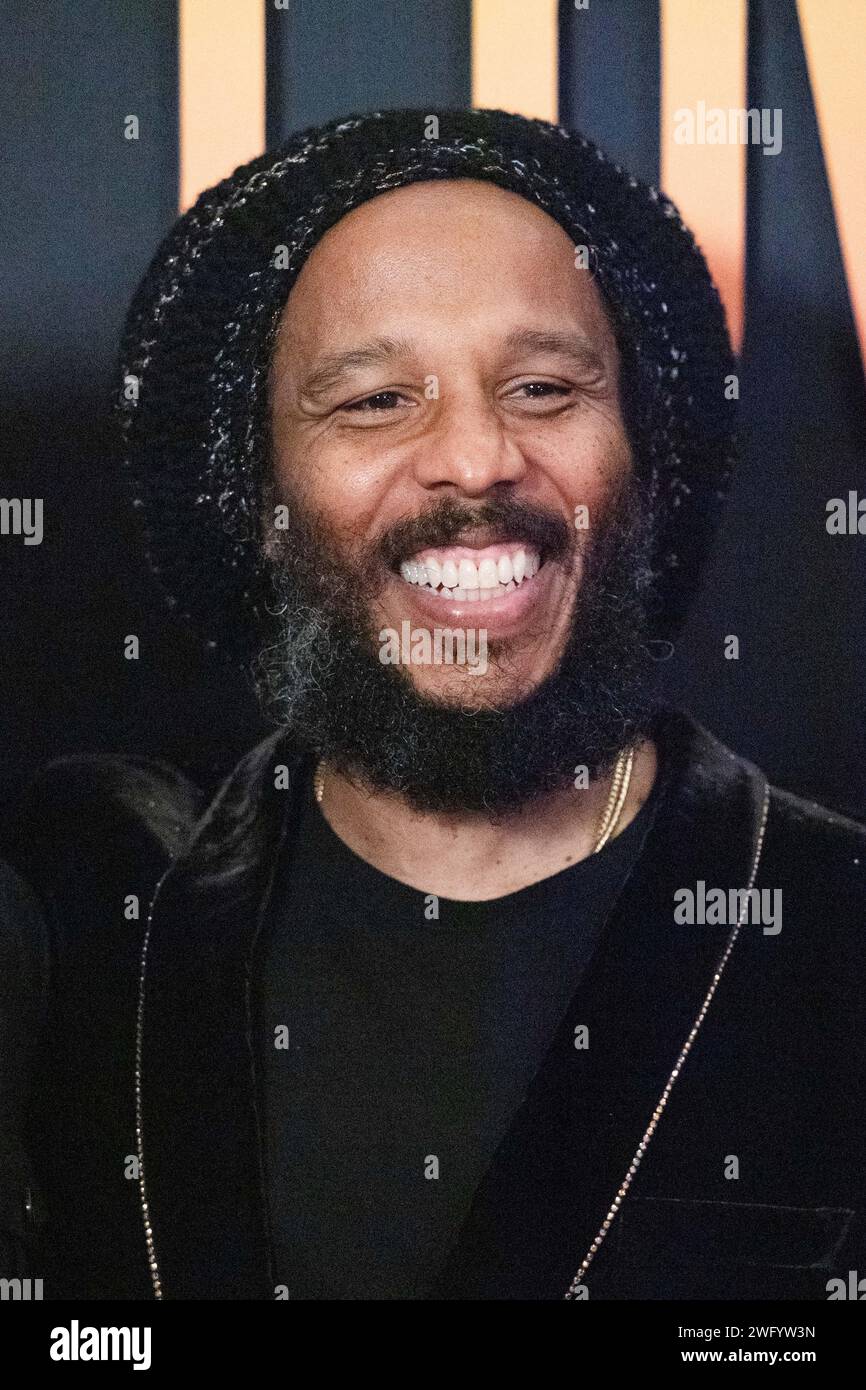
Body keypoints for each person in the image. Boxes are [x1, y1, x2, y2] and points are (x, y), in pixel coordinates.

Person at [12, 108, 866, 1301]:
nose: (474, 458)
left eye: (540, 387)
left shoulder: (835, 930)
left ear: (640, 465)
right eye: (372, 402)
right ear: (261, 498)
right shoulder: (79, 940)